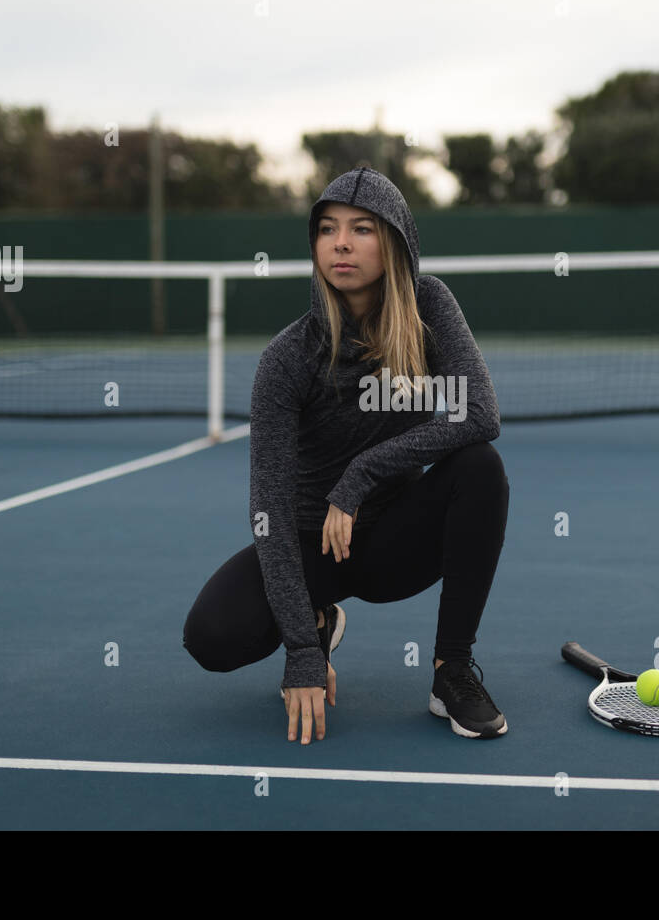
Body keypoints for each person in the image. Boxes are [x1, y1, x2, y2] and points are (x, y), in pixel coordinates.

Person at [183, 165, 510, 743]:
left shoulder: (430, 308)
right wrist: (301, 650)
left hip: (395, 542)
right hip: (313, 544)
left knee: (480, 467)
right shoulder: (288, 358)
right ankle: (317, 616)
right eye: (328, 228)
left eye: (362, 228)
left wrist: (360, 475)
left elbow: (478, 414)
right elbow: (270, 506)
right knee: (210, 636)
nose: (341, 242)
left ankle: (451, 671)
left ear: (396, 243)